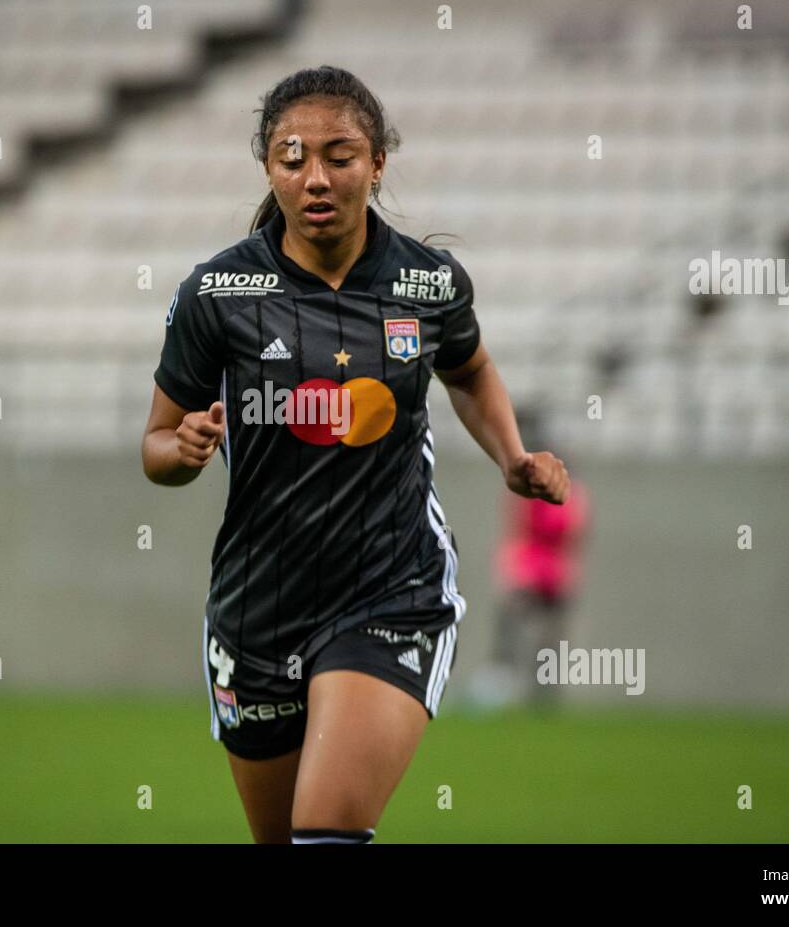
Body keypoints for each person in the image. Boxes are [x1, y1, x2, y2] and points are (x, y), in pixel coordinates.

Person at [141, 66, 569, 844]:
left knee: (326, 828)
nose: (316, 176)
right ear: (268, 167)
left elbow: (469, 368)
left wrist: (511, 454)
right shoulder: (218, 294)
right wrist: (187, 448)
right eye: (292, 156)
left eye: (340, 155)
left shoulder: (427, 282)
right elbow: (156, 445)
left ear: (377, 163)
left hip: (390, 586)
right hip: (257, 605)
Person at [489, 474, 591, 707]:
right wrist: (512, 570)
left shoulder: (574, 496)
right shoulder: (526, 494)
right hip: (530, 572)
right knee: (512, 623)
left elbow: (574, 536)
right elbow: (518, 530)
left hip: (554, 576)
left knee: (550, 636)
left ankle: (543, 690)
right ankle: (503, 676)